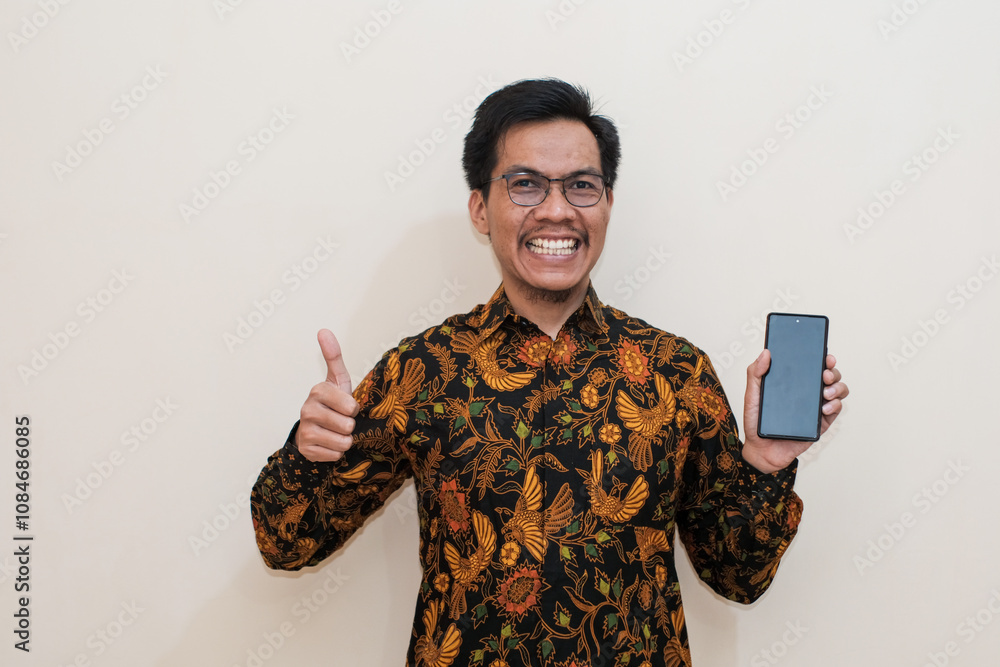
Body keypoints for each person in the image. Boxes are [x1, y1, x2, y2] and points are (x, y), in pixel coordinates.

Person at [251, 78, 849, 667]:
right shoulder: (421, 370)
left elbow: (738, 576)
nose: (557, 210)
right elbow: (285, 542)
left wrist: (766, 466)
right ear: (481, 208)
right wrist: (306, 454)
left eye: (581, 186)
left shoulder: (676, 370)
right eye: (526, 185)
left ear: (608, 204)